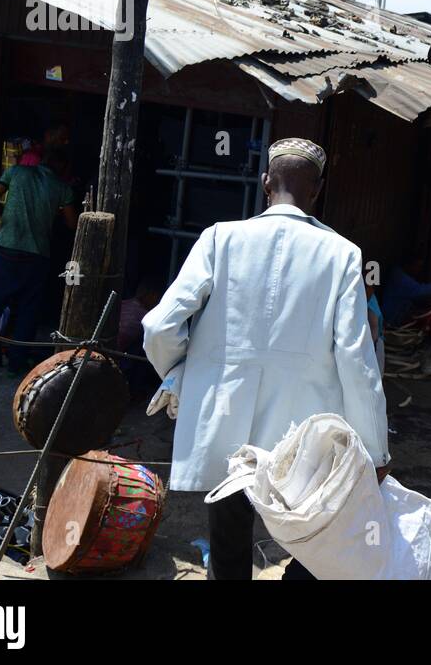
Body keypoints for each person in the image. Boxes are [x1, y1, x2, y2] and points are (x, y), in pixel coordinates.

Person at [143, 138, 389, 581]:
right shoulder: (342, 255)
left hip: (224, 425)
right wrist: (374, 448)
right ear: (317, 192)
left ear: (264, 184)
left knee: (229, 543)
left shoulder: (220, 239)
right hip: (304, 438)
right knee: (314, 538)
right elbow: (357, 359)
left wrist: (180, 374)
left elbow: (159, 326)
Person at [0, 147, 78, 383]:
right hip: (36, 259)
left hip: (5, 253)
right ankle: (16, 364)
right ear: (63, 169)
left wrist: (4, 215)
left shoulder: (16, 173)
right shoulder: (62, 188)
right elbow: (71, 224)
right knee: (27, 313)